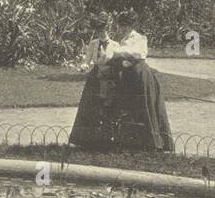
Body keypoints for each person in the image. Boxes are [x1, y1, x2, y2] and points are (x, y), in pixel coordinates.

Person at [69, 10, 173, 153]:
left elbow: (137, 54)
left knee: (144, 107)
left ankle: (151, 143)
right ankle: (129, 142)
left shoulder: (140, 38)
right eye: (121, 25)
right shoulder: (120, 39)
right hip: (127, 78)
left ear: (132, 25)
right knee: (126, 108)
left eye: (126, 26)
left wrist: (117, 53)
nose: (123, 29)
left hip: (140, 76)